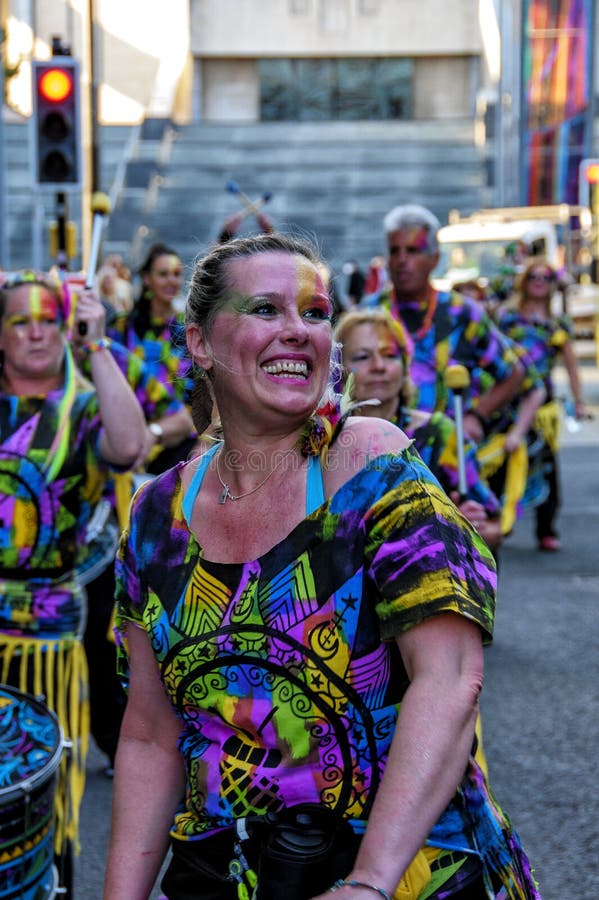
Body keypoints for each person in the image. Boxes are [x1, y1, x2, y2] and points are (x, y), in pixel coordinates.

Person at [104, 233, 540, 900]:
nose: (297, 332)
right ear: (199, 343)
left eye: (313, 313)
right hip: (224, 875)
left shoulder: (370, 466)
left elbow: (450, 678)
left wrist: (368, 883)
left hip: (402, 872)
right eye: (264, 310)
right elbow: (147, 735)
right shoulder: (155, 514)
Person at [0, 270, 146, 897]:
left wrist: (96, 347)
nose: (37, 331)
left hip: (51, 633)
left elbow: (131, 444)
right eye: (19, 319)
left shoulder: (84, 407)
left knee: (40, 791)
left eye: (49, 319)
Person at [333, 308, 502, 554]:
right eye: (361, 357)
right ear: (339, 369)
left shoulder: (440, 434)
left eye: (390, 355)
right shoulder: (324, 439)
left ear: (405, 367)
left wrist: (472, 525)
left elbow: (495, 527)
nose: (378, 366)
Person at [371, 204, 527, 445]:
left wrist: (476, 416)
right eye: (395, 251)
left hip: (448, 456)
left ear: (434, 259)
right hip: (380, 453)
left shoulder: (462, 313)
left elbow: (513, 372)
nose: (402, 260)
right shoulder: (368, 314)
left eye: (413, 250)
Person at [495, 258, 591, 551]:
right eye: (534, 276)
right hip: (509, 402)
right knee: (499, 464)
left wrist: (579, 401)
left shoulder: (557, 323)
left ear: (552, 284)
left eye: (546, 277)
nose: (539, 281)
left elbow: (572, 367)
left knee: (546, 467)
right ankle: (495, 524)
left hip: (543, 408)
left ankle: (546, 529)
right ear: (524, 281)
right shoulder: (508, 317)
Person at [109, 243, 197, 471]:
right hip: (129, 432)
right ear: (147, 279)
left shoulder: (190, 330)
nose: (171, 281)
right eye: (163, 274)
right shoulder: (121, 327)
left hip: (180, 438)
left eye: (177, 274)